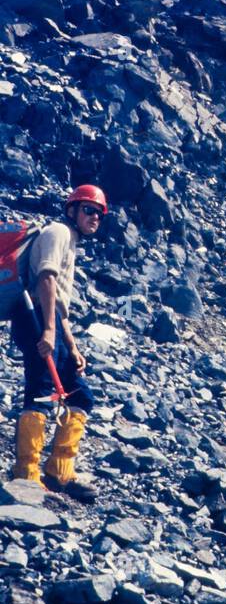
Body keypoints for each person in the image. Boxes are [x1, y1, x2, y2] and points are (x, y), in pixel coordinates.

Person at [9, 185, 107, 503]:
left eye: (99, 213)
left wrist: (72, 345)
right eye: (89, 210)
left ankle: (59, 470)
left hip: (47, 319)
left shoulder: (71, 241)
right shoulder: (57, 232)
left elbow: (60, 302)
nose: (95, 217)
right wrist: (48, 331)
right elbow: (46, 280)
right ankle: (27, 474)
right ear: (72, 210)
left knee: (79, 395)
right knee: (39, 390)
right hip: (34, 317)